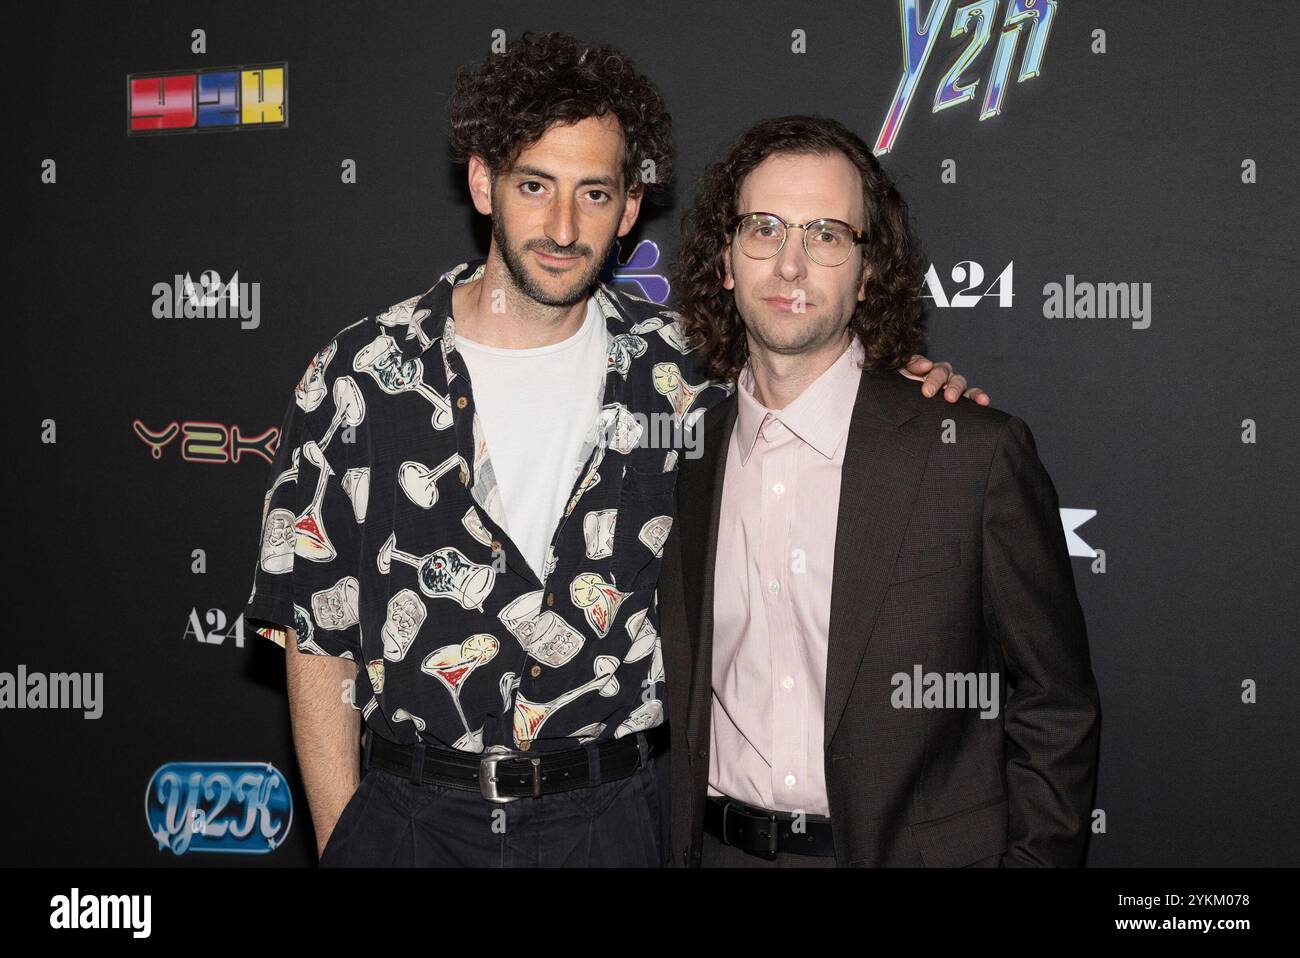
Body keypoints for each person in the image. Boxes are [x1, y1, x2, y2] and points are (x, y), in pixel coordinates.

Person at [244, 34, 980, 868]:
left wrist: (911, 383)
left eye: (594, 193)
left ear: (630, 208)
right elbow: (318, 637)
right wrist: (348, 842)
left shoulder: (685, 367)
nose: (563, 226)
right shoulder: (361, 376)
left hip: (613, 823)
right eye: (535, 186)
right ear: (484, 183)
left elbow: (813, 364)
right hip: (412, 822)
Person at [659, 115, 1101, 867]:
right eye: (763, 228)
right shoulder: (685, 460)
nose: (790, 265)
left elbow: (1055, 704)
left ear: (869, 271)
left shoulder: (971, 456)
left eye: (827, 235)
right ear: (726, 260)